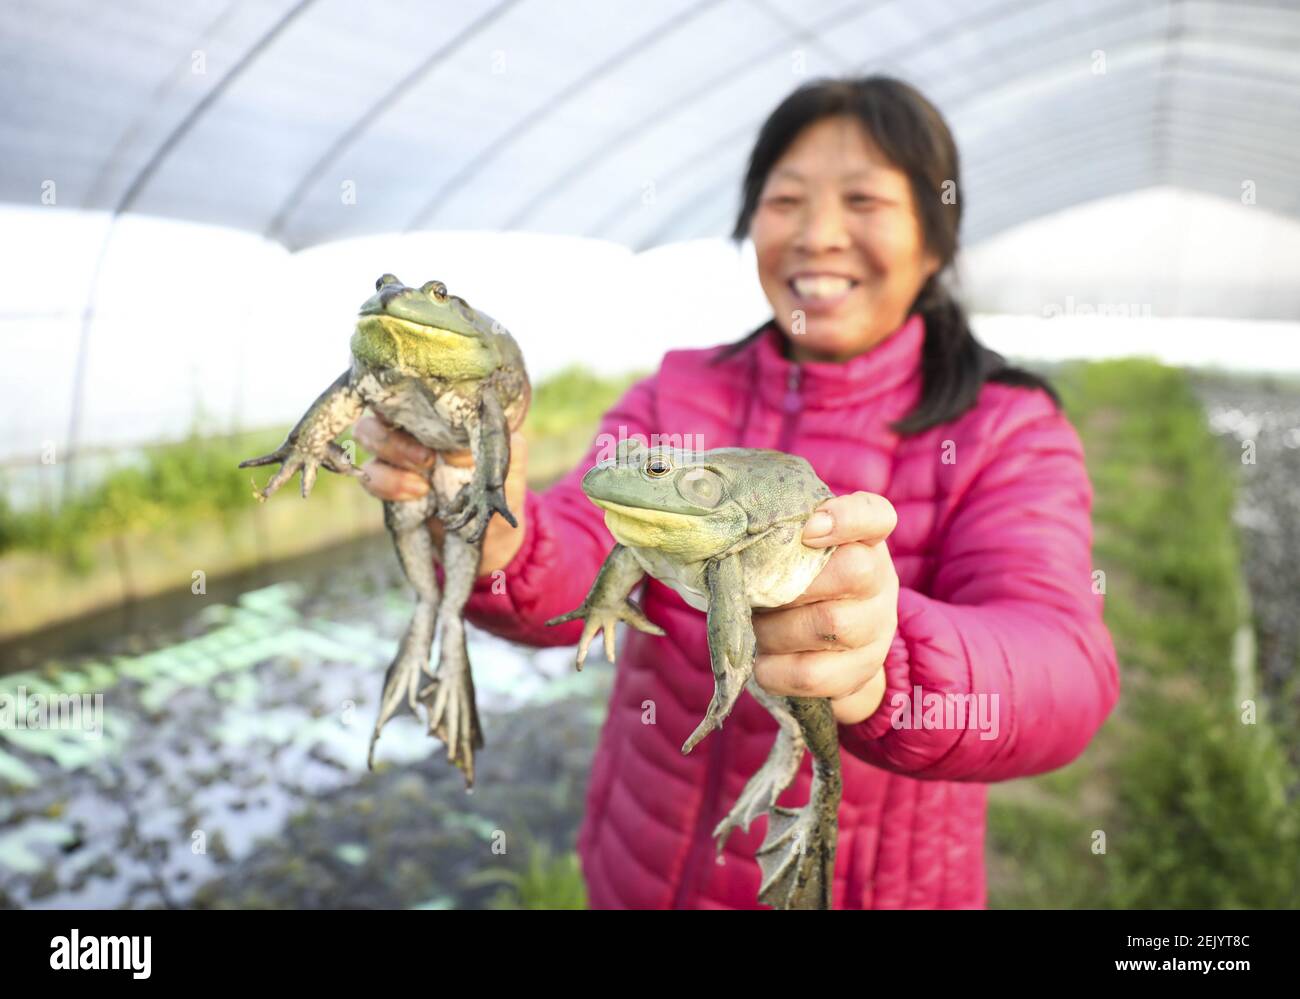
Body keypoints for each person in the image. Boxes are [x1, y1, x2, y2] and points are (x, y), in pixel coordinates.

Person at [351, 75, 1121, 909]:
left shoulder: (1006, 427)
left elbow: (1066, 670)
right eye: (786, 200)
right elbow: (581, 548)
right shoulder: (678, 395)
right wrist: (496, 526)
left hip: (873, 886)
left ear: (936, 239)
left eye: (864, 200)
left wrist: (883, 664)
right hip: (639, 870)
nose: (819, 234)